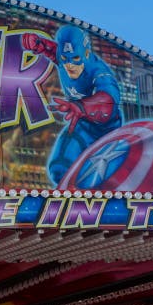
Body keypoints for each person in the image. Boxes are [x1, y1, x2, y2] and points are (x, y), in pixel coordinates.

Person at [22, 26, 123, 186]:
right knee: (59, 169)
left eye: (76, 59)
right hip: (81, 123)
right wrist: (38, 44)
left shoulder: (98, 71)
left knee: (105, 175)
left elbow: (108, 98)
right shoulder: (64, 59)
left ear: (87, 54)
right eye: (65, 58)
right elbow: (53, 51)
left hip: (105, 127)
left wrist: (82, 107)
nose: (70, 65)